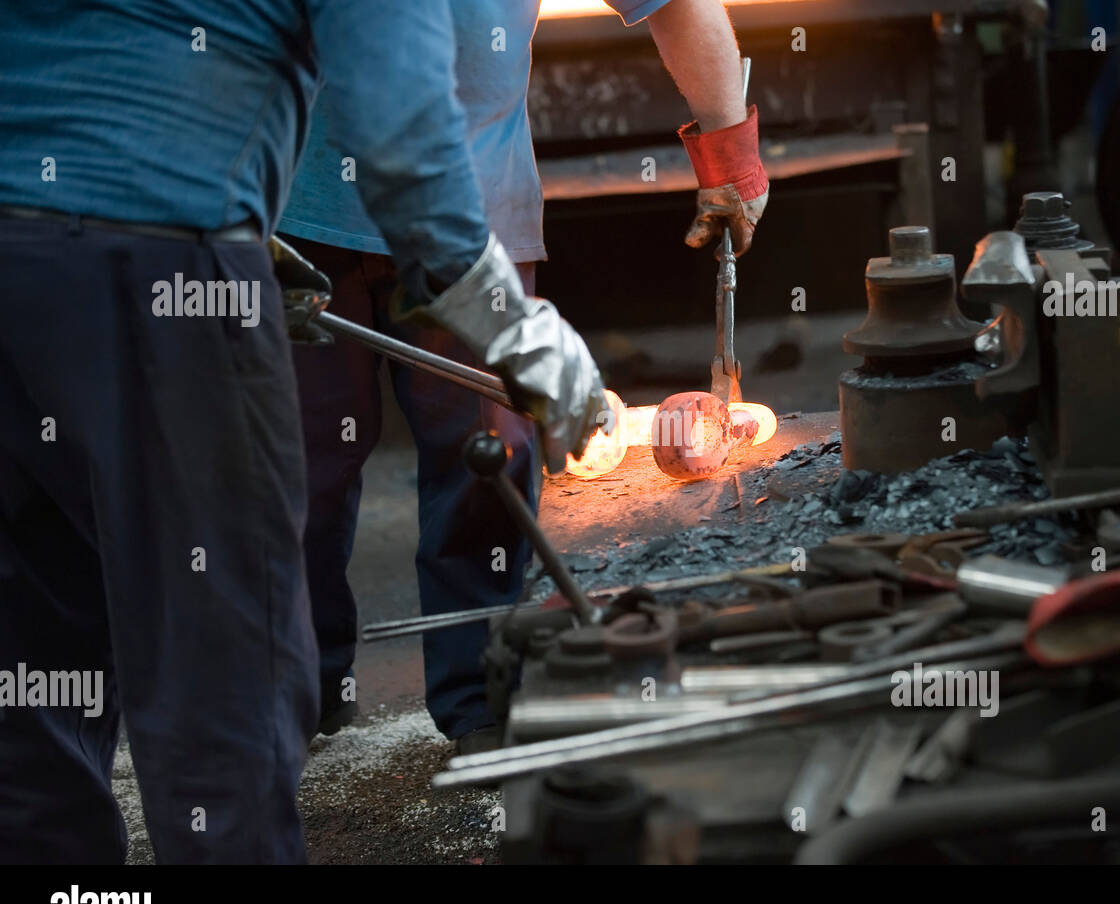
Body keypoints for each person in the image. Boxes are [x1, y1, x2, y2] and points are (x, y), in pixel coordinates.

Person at [0, 0, 605, 863]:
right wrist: (513, 323)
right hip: (162, 264)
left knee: (29, 681)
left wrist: (250, 209)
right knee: (221, 681)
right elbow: (400, 131)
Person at [278, 0, 770, 750]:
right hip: (300, 208)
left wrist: (730, 149)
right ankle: (295, 689)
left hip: (469, 212)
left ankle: (482, 695)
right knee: (294, 465)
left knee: (489, 464)